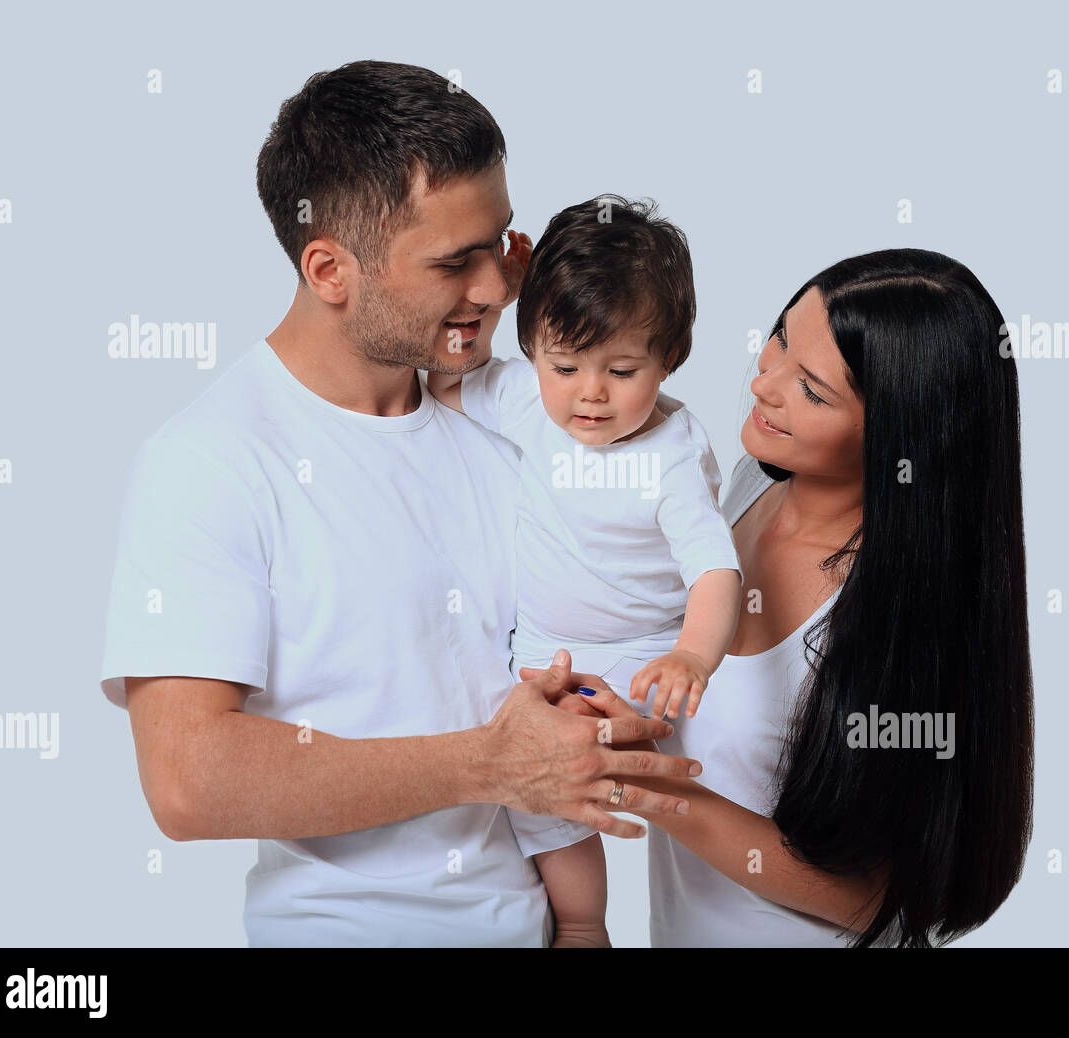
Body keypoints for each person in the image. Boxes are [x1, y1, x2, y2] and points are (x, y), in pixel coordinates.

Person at [98, 59, 696, 948]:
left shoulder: (515, 417)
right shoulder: (210, 460)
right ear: (330, 268)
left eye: (502, 243)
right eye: (455, 262)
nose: (496, 287)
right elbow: (189, 781)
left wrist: (611, 711)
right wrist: (491, 767)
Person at [530, 249, 1035, 947]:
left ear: (900, 436)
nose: (765, 384)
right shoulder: (744, 488)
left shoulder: (901, 613)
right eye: (780, 340)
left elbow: (878, 903)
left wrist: (654, 790)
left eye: (813, 390)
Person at [427, 195, 743, 948]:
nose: (590, 393)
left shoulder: (669, 454)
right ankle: (581, 924)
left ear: (670, 358)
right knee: (536, 792)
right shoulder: (525, 401)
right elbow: (443, 383)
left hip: (646, 657)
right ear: (536, 348)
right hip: (544, 654)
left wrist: (692, 654)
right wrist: (494, 302)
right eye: (564, 365)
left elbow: (715, 571)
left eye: (622, 369)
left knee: (663, 769)